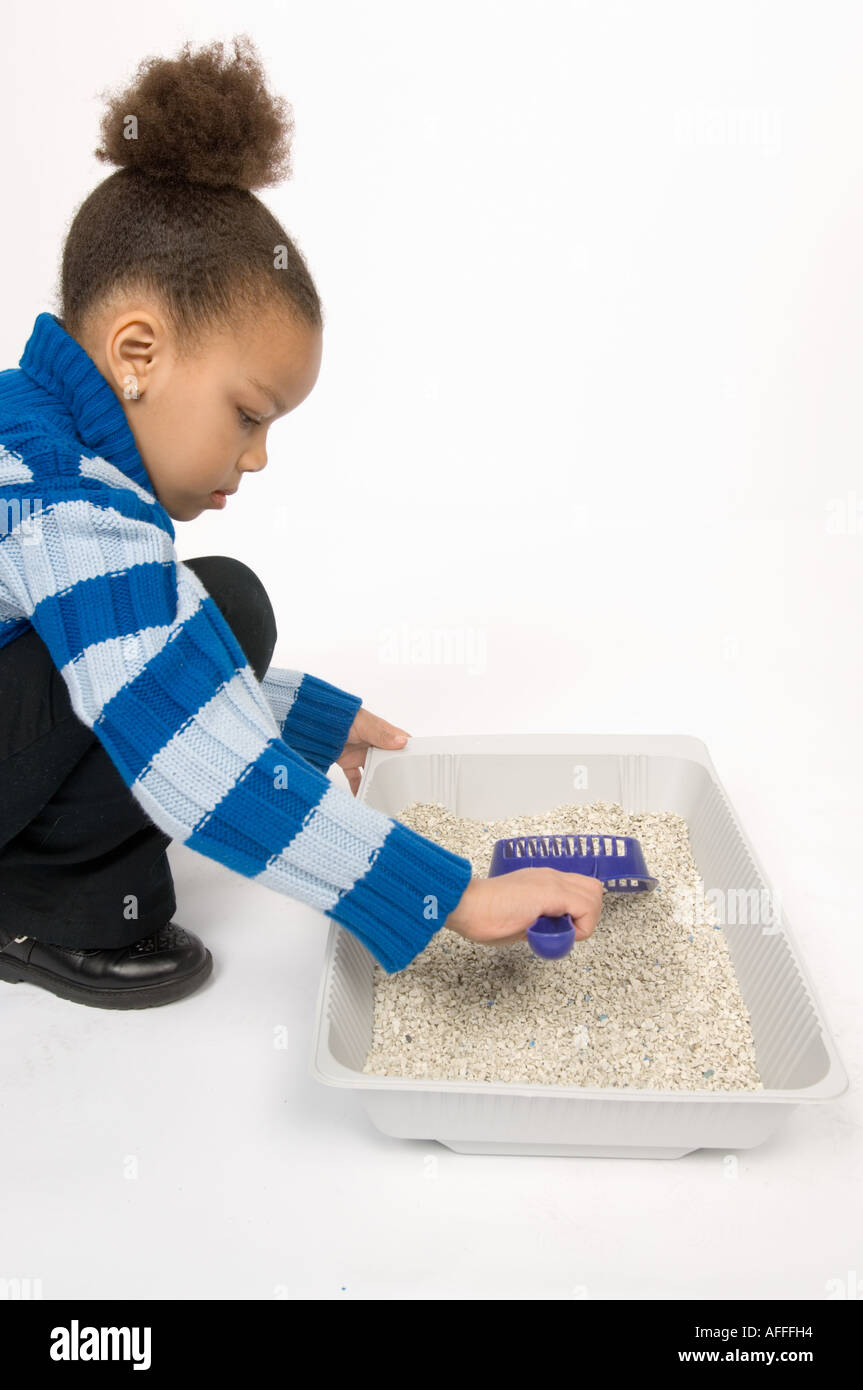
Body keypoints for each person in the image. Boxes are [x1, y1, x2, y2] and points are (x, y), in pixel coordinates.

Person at [0, 35, 603, 1010]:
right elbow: (175, 741)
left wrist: (303, 719)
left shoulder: (32, 440)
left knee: (221, 599)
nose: (256, 456)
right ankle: (37, 904)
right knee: (218, 613)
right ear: (138, 353)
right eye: (247, 413)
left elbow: (120, 646)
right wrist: (449, 895)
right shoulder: (63, 502)